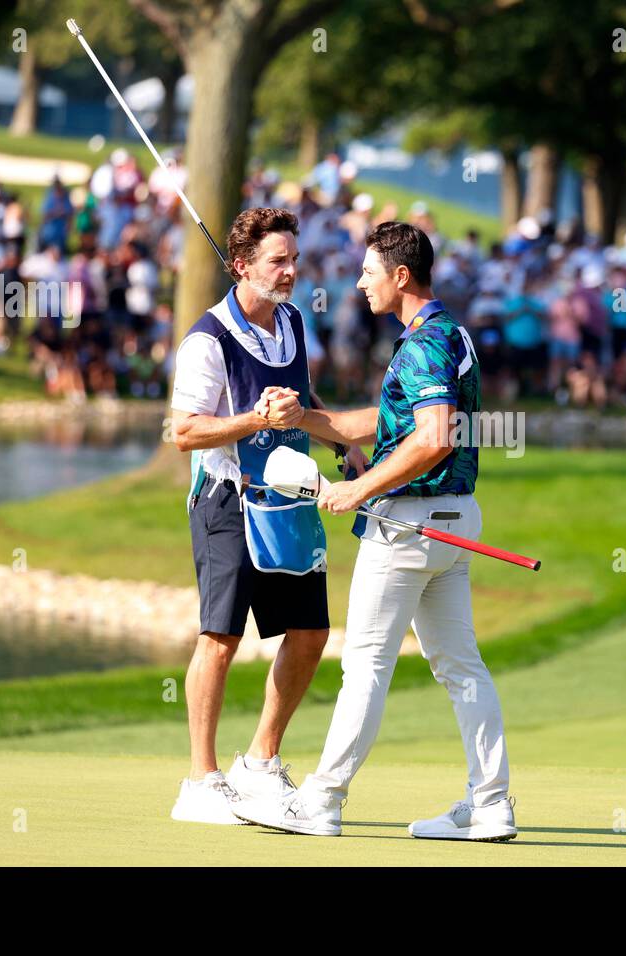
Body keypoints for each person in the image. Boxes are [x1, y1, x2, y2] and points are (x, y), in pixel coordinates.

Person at [246, 221, 517, 841]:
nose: (360, 283)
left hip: (408, 527)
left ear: (400, 277)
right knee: (460, 667)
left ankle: (322, 799)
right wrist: (314, 420)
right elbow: (394, 423)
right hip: (451, 524)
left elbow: (433, 437)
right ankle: (491, 803)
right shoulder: (447, 333)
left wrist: (357, 489)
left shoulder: (421, 344)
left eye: (369, 272)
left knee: (365, 665)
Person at [167, 208, 359, 825]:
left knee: (311, 634)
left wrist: (340, 441)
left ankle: (259, 763)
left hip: (289, 497)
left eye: (294, 260)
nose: (291, 272)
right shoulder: (207, 339)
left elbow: (302, 396)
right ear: (242, 265)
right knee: (220, 640)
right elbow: (185, 431)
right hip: (226, 499)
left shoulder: (295, 322)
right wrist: (255, 419)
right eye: (278, 261)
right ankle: (200, 780)